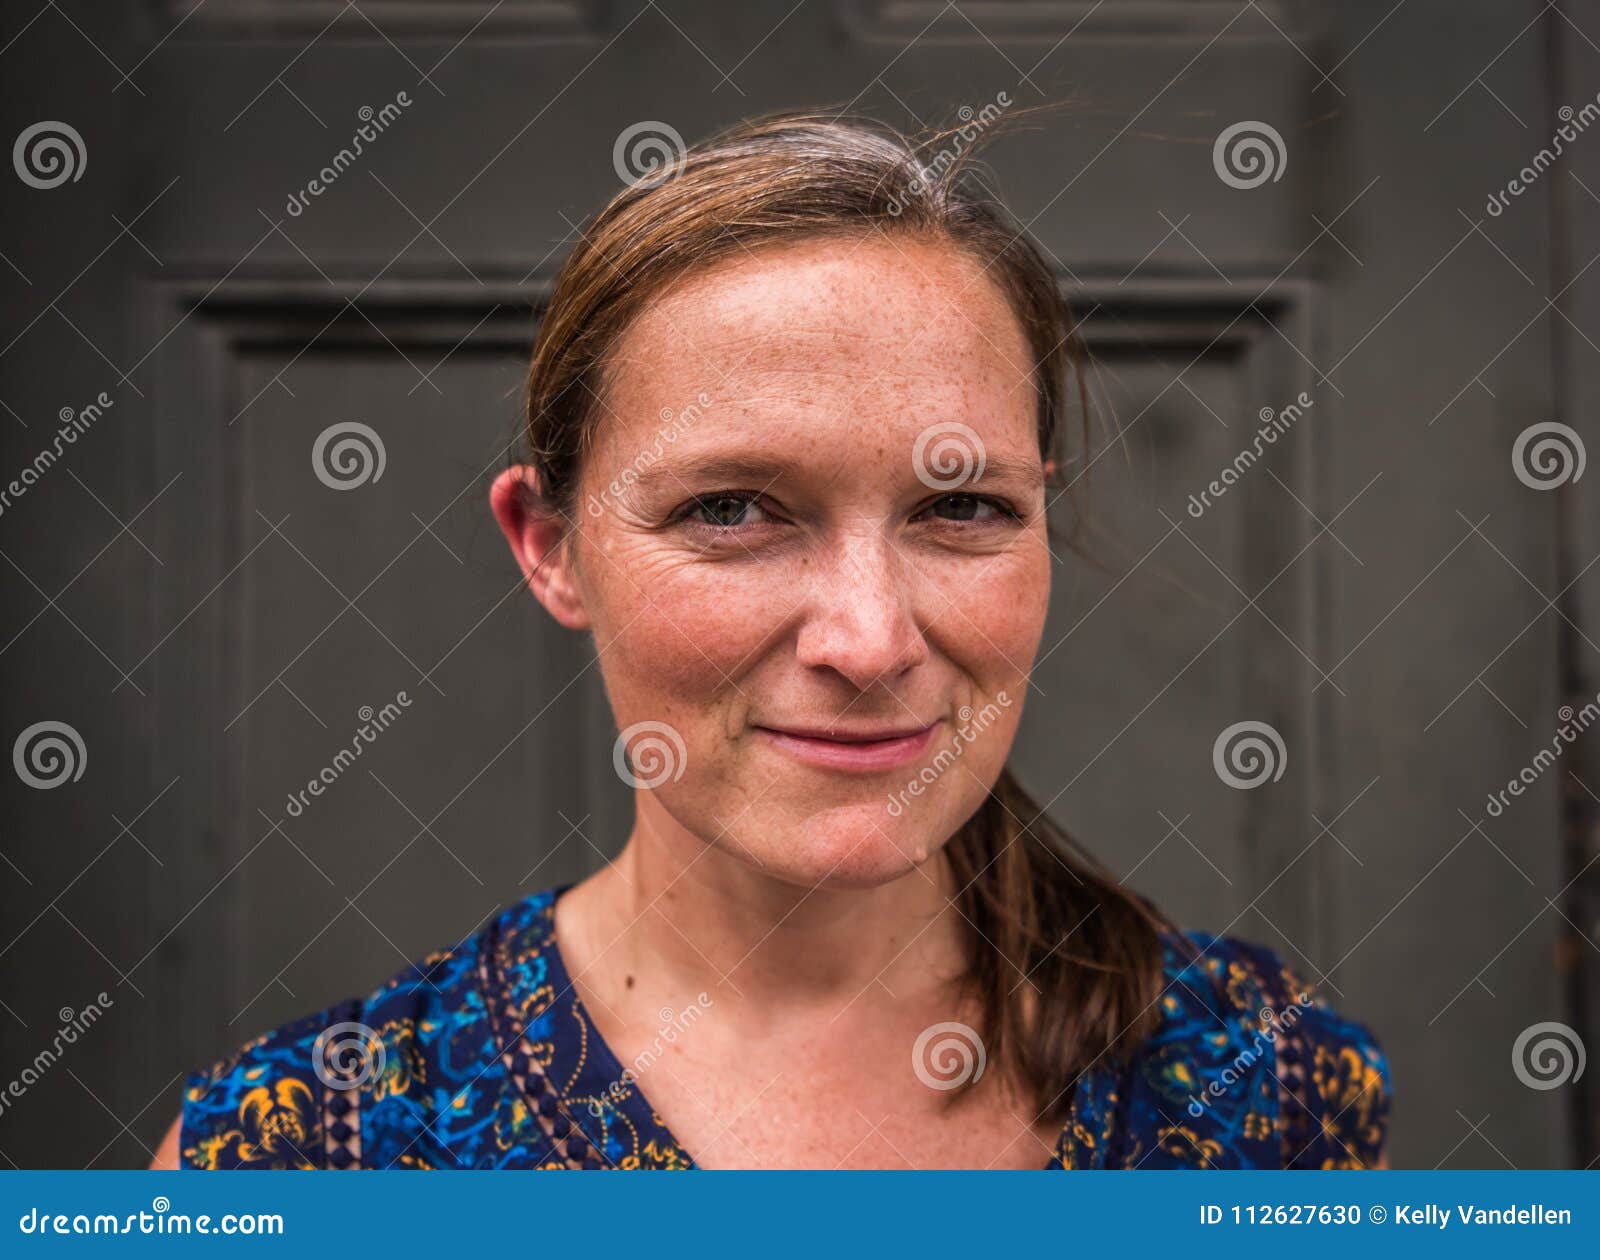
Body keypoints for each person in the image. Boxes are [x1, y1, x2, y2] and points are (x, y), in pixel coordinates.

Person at [154, 111, 1389, 1171]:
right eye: (731, 511)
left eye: (961, 508)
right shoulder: (306, 1151)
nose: (867, 639)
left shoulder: (1264, 1085)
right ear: (549, 543)